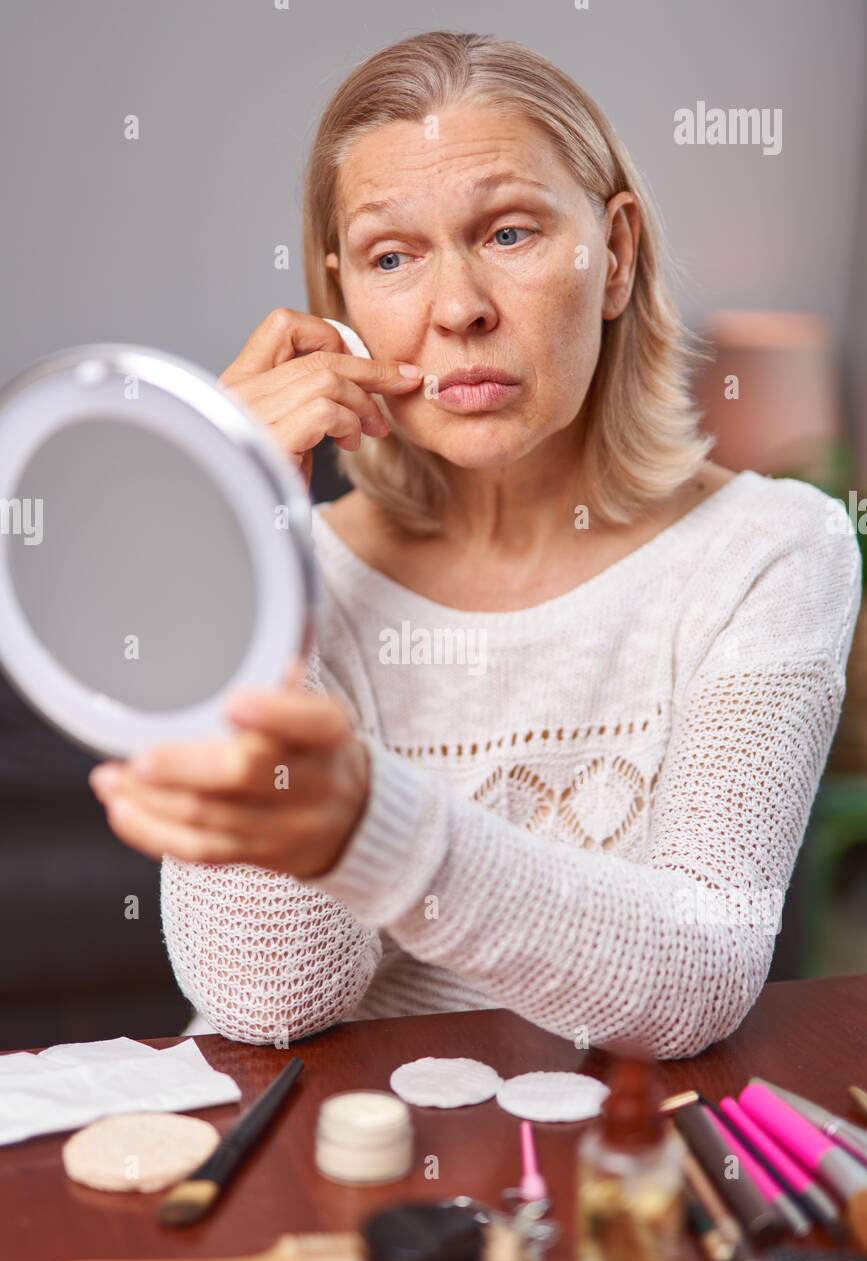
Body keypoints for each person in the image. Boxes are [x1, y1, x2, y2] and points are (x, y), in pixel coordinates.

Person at [90, 31, 860, 1057]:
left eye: (508, 233)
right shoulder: (296, 571)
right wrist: (251, 560)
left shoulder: (770, 550)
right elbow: (268, 1001)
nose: (456, 310)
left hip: (599, 1174)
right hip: (328, 1174)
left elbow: (699, 979)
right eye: (393, 257)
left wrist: (378, 830)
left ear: (616, 255)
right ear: (343, 301)